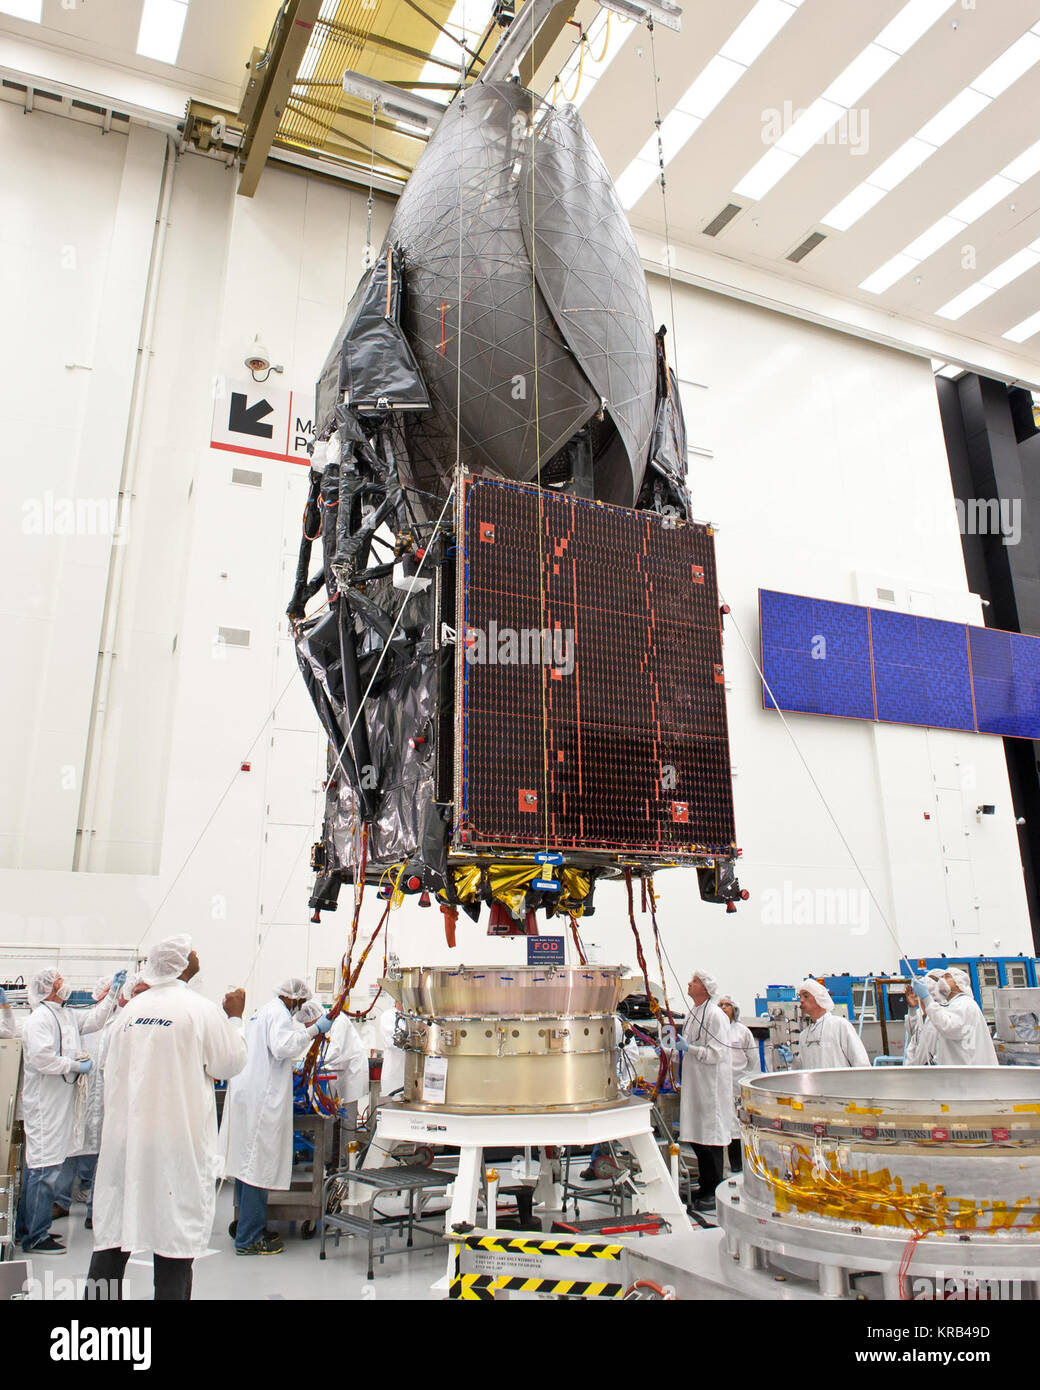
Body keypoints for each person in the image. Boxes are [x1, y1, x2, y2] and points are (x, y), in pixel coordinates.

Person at [86, 936, 247, 1301]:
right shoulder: (199, 1009)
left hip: (126, 1141)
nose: (197, 952)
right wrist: (236, 1018)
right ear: (181, 963)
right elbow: (229, 1063)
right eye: (192, 950)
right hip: (176, 1144)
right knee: (174, 1241)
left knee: (113, 1236)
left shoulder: (130, 1012)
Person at [15, 967, 122, 1255]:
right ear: (49, 988)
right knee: (43, 1169)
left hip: (59, 1103)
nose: (65, 984)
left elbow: (96, 1019)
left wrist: (113, 992)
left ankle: (28, 1230)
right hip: (44, 1105)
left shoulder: (65, 1015)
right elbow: (41, 1059)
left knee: (46, 1166)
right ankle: (35, 1238)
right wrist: (75, 1065)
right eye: (59, 980)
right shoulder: (39, 1019)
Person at [223, 977, 332, 1256]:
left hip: (249, 1095)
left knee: (247, 1165)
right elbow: (283, 1047)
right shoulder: (279, 1014)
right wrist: (314, 1031)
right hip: (262, 1099)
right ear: (293, 998)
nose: (300, 1008)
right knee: (257, 1167)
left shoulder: (264, 1011)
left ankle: (245, 1225)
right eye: (300, 1002)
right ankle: (249, 1237)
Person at [53, 975, 121, 1229]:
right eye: (108, 992)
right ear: (98, 995)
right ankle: (60, 1202)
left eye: (114, 992)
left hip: (107, 1097)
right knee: (71, 1148)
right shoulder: (84, 1019)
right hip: (81, 1093)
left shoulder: (121, 1022)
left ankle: (95, 1209)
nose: (112, 997)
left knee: (102, 1155)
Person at [674, 969, 731, 1211]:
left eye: (695, 981)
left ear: (706, 988)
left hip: (710, 1087)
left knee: (710, 1140)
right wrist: (669, 1050)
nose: (689, 983)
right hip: (694, 1085)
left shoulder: (715, 1015)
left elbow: (718, 1053)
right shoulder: (693, 1013)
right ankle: (705, 1186)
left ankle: (715, 1191)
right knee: (698, 1139)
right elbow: (688, 1046)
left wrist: (690, 1049)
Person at [911, 967, 997, 1066]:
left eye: (947, 977)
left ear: (959, 984)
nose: (942, 980)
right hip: (959, 1070)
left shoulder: (965, 1003)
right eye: (941, 977)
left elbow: (948, 1027)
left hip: (967, 1071)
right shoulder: (953, 1005)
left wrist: (927, 998)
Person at [718, 995, 758, 1174]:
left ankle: (741, 1166)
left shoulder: (742, 1031)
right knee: (725, 1124)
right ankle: (729, 1166)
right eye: (720, 1005)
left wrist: (742, 1077)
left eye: (727, 1005)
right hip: (720, 1085)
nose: (723, 1007)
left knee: (739, 1125)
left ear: (734, 1009)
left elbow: (753, 1059)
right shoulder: (715, 1030)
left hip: (738, 1084)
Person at [796, 978, 869, 1068]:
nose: (801, 1000)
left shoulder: (840, 1025)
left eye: (806, 996)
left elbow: (861, 1062)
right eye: (800, 997)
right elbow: (801, 1069)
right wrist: (792, 1060)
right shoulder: (804, 1036)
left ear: (819, 998)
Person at [323, 1009, 369, 1131]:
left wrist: (317, 1062)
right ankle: (334, 1140)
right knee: (335, 1112)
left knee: (348, 1115)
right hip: (341, 1068)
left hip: (352, 1070)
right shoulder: (329, 1023)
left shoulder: (339, 1021)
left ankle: (348, 1142)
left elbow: (335, 1049)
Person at [903, 969, 944, 1065]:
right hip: (918, 1069)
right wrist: (912, 1008)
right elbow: (913, 1033)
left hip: (934, 1070)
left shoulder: (941, 1014)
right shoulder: (920, 1013)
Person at [378, 1002, 406, 1099]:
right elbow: (392, 1042)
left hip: (410, 1076)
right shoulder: (388, 1016)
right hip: (394, 1075)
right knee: (393, 1103)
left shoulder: (413, 1017)